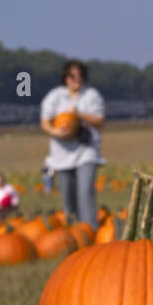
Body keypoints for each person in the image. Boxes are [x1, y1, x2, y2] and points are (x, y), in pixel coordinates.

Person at [39, 59, 105, 228]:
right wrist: (55, 132)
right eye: (72, 76)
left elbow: (99, 121)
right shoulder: (55, 96)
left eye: (80, 76)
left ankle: (90, 229)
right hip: (61, 152)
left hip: (86, 150)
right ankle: (74, 230)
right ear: (65, 77)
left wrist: (79, 115)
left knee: (85, 192)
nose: (77, 79)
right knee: (67, 195)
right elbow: (45, 121)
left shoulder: (91, 95)